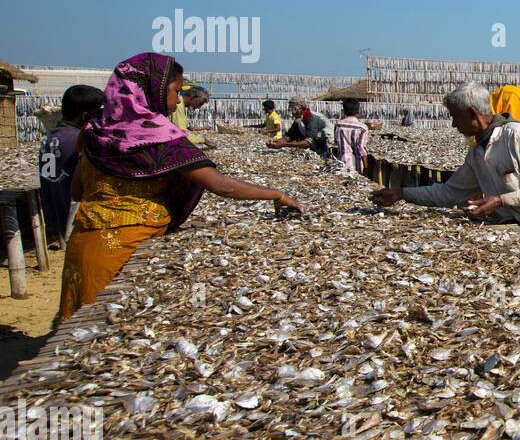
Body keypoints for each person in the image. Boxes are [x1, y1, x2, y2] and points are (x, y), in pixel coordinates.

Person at [59, 53, 303, 322]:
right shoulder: (155, 137)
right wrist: (277, 194)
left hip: (84, 246)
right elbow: (221, 186)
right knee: (113, 324)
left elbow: (76, 193)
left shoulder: (95, 131)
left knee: (79, 330)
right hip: (127, 250)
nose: (177, 101)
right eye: (174, 91)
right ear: (151, 89)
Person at [369, 81, 520, 247]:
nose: (454, 125)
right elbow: (449, 193)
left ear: (473, 113)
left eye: (456, 117)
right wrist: (401, 194)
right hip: (510, 227)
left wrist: (500, 200)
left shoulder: (516, 134)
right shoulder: (476, 154)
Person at [39, 85, 106, 244]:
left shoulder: (48, 138)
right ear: (85, 117)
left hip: (54, 213)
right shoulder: (80, 140)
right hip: (75, 219)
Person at [333, 97, 369, 173]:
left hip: (341, 163)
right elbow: (361, 149)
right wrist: (366, 168)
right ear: (358, 111)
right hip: (355, 165)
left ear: (344, 111)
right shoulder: (362, 127)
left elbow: (336, 142)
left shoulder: (338, 125)